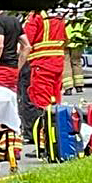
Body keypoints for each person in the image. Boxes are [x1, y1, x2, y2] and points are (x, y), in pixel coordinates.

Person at [18, 10, 67, 141]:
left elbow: (26, 41)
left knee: (41, 103)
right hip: (57, 64)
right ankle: (56, 139)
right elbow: (64, 39)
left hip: (41, 64)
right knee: (55, 102)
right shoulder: (58, 16)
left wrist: (18, 63)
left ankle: (43, 141)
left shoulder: (36, 17)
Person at [0, 10, 30, 92]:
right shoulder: (15, 20)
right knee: (10, 99)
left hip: (0, 70)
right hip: (13, 71)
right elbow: (27, 46)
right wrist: (19, 67)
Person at [62, 15, 87, 96]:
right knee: (77, 62)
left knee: (66, 63)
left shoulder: (64, 14)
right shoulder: (82, 15)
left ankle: (68, 88)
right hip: (79, 41)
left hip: (67, 40)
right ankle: (79, 86)